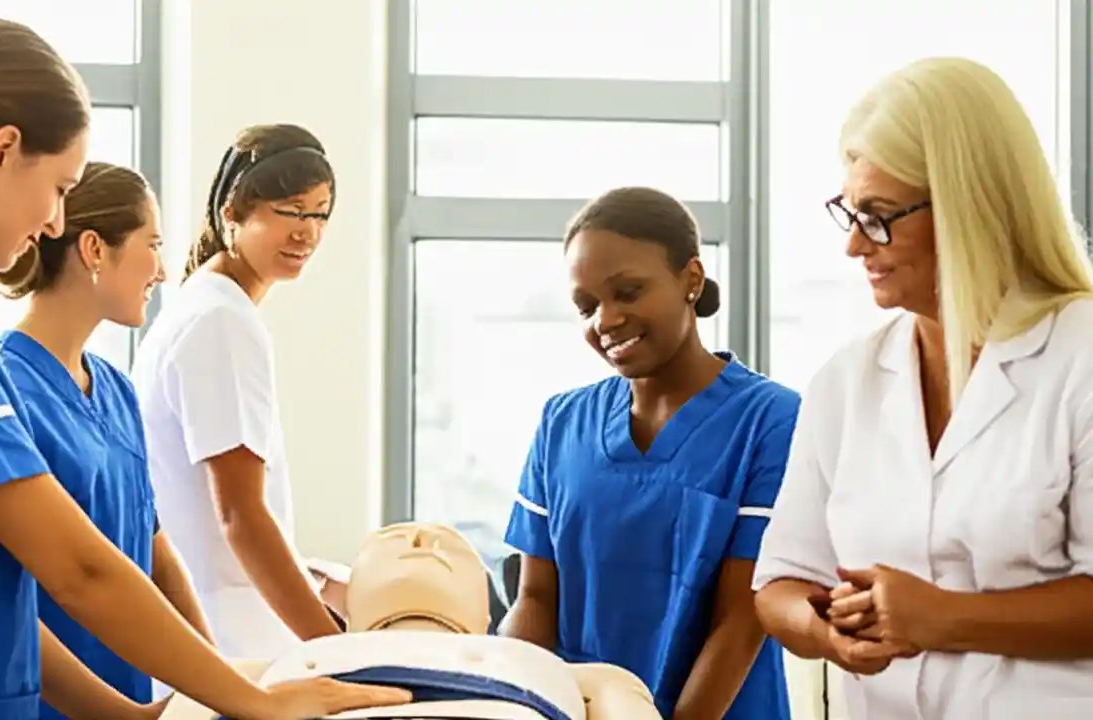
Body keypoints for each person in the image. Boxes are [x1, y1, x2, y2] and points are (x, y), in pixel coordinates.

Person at [0, 19, 407, 720]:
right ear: (2, 152)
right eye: (60, 186)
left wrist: (134, 716)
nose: (55, 220)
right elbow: (78, 570)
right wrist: (254, 703)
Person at [751, 56, 1093, 719]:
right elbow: (780, 583)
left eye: (877, 216)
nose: (855, 245)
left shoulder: (1080, 356)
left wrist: (943, 619)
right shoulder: (845, 382)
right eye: (849, 213)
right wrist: (824, 629)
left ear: (969, 207)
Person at [497, 187, 800, 719]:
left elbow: (742, 615)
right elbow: (537, 598)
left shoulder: (771, 420)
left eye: (628, 292)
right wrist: (519, 702)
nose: (606, 320)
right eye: (586, 306)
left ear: (691, 280)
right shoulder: (561, 423)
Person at [0, 161, 220, 719]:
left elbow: (155, 553)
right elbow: (5, 605)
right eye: (153, 245)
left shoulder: (116, 387)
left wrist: (219, 687)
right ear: (94, 249)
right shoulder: (3, 390)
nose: (163, 271)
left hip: (137, 701)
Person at [131, 124, 343, 662]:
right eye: (290, 210)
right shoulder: (222, 322)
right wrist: (338, 651)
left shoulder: (200, 308)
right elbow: (240, 517)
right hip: (231, 641)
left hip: (214, 628)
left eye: (319, 213)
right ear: (234, 212)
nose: (308, 233)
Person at [160, 522, 661, 720]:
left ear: (487, 620)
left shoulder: (564, 674)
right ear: (347, 609)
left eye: (452, 547)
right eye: (392, 539)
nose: (420, 539)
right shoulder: (263, 673)